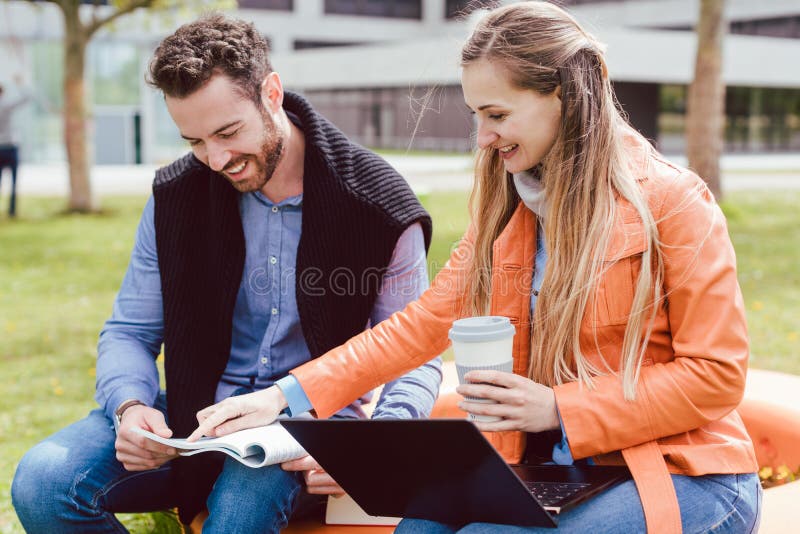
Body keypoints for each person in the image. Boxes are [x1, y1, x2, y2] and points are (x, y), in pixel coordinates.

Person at [187, 3, 762, 533]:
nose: (483, 137)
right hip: (564, 470)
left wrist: (558, 408)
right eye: (476, 115)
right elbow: (419, 326)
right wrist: (284, 396)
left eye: (497, 114)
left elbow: (716, 374)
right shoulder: (510, 213)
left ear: (565, 95)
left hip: (687, 471)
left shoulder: (675, 204)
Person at [11, 14, 442, 533]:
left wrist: (368, 449)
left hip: (303, 435)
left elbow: (413, 355)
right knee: (42, 483)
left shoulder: (379, 206)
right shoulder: (176, 196)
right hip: (190, 419)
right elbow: (130, 330)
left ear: (272, 94)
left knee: (241, 512)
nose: (214, 159)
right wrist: (129, 406)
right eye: (194, 141)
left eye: (228, 132)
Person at [0, 77, 32, 217]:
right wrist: (20, 84)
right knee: (13, 182)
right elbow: (26, 98)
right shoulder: (6, 105)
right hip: (10, 147)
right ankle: (12, 211)